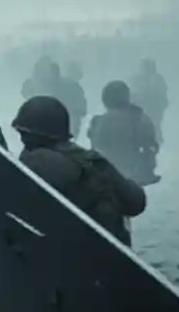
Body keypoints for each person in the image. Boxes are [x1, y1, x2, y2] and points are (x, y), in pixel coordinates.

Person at [12, 96, 147, 246]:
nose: (22, 139)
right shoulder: (92, 160)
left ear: (35, 135)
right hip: (110, 245)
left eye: (24, 134)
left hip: (68, 249)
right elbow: (135, 202)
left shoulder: (36, 161)